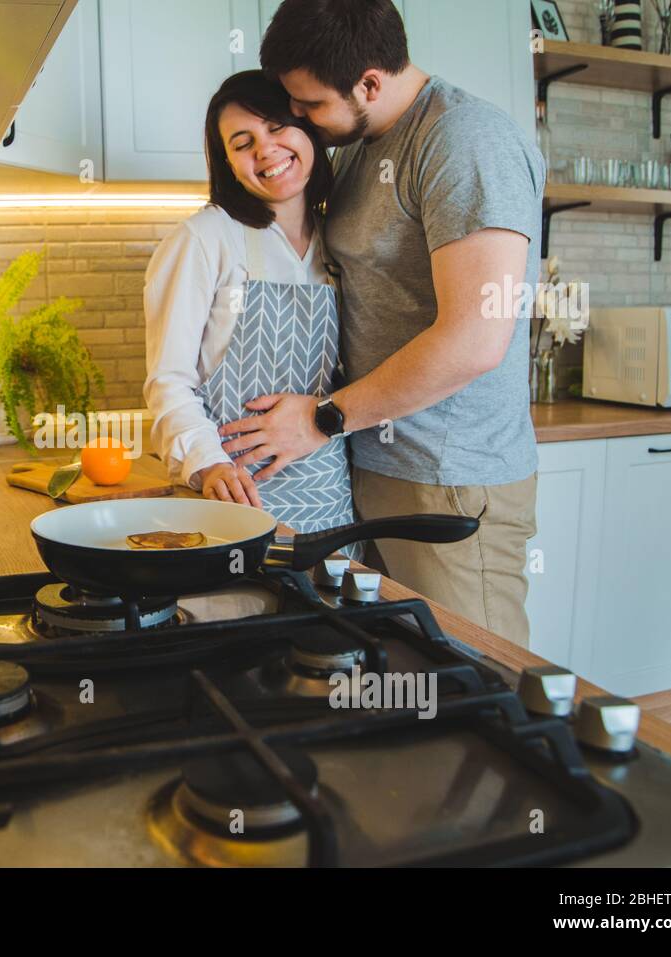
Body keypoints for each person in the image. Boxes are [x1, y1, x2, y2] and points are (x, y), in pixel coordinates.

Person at [235, 0, 544, 646]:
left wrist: (322, 416)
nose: (298, 117)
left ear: (370, 83)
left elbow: (476, 338)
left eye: (310, 105)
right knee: (397, 675)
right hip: (370, 465)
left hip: (450, 479)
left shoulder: (465, 140)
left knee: (474, 680)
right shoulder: (356, 147)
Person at [143, 70, 354, 540]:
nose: (265, 150)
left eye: (277, 127)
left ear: (309, 130)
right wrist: (210, 464)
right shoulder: (204, 239)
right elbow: (169, 383)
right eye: (243, 143)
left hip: (332, 501)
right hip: (239, 501)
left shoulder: (340, 241)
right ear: (229, 165)